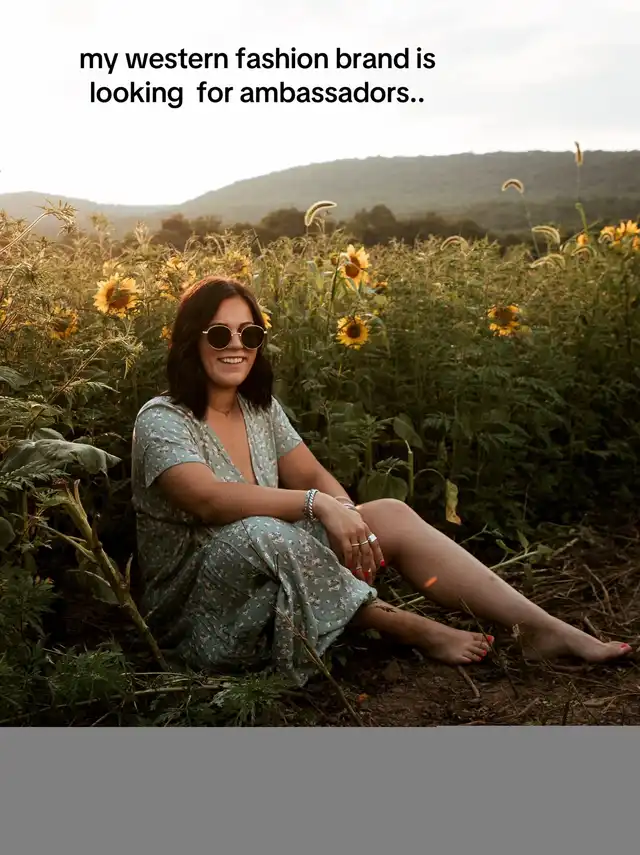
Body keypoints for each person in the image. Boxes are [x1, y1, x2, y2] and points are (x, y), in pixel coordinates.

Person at [131, 276, 633, 686]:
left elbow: (312, 474)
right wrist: (318, 505)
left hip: (278, 577)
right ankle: (405, 626)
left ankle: (541, 628)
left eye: (251, 334)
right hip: (201, 615)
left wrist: (348, 517)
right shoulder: (162, 420)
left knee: (386, 513)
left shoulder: (258, 409)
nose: (238, 346)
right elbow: (209, 500)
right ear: (192, 340)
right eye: (220, 335)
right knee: (261, 531)